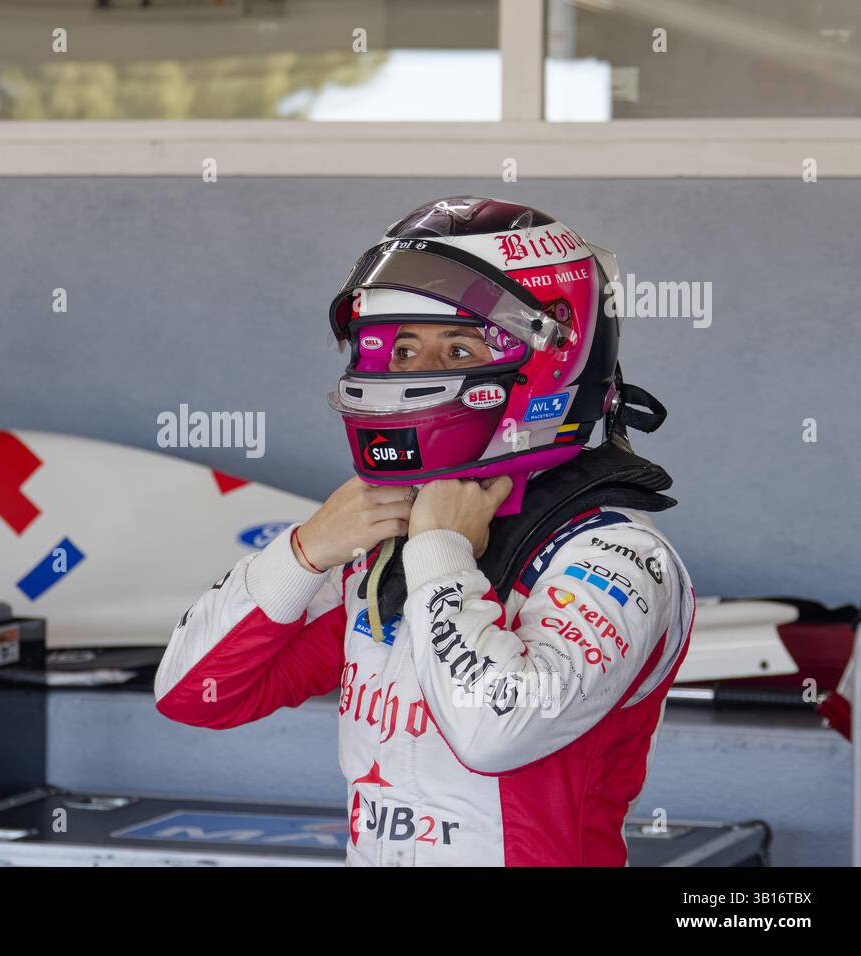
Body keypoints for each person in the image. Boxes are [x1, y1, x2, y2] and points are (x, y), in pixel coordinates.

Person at [155, 197, 695, 866]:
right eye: (402, 348)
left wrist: (441, 552)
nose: (414, 374)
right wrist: (304, 551)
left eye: (458, 347)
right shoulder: (378, 556)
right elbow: (195, 694)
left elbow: (493, 732)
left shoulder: (618, 555)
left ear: (553, 359)